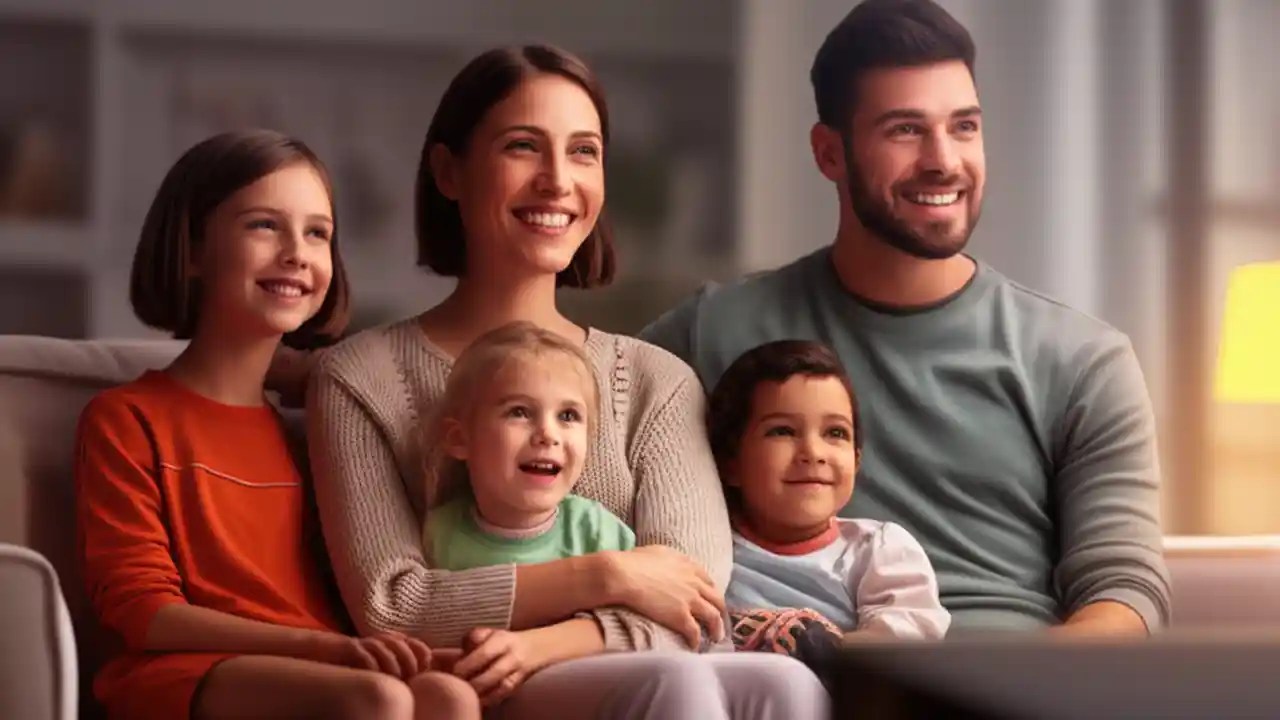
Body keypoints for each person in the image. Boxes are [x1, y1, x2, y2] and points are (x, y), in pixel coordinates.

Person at [305, 45, 828, 718]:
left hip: (631, 668)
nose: (557, 180)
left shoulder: (654, 380)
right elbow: (395, 607)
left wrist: (565, 637)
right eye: (524, 147)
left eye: (583, 152)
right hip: (474, 690)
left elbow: (694, 603)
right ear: (448, 171)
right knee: (680, 683)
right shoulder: (358, 378)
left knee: (790, 685)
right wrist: (608, 572)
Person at [640, 0, 1172, 637]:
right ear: (829, 153)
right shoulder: (711, 334)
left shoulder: (1082, 359)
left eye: (964, 127)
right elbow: (561, 428)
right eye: (905, 130)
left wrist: (1018, 694)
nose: (943, 160)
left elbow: (1125, 593)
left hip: (1013, 689)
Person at [74, 129, 478, 720]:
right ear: (190, 250)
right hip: (182, 670)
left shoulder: (315, 426)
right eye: (264, 225)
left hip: (323, 663)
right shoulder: (127, 420)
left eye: (317, 232)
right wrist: (325, 647)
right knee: (379, 697)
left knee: (451, 695)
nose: (296, 252)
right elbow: (144, 613)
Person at [709, 339, 950, 654]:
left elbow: (903, 644)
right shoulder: (708, 548)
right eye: (782, 431)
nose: (813, 453)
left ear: (857, 459)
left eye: (835, 433)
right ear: (731, 463)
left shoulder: (877, 550)